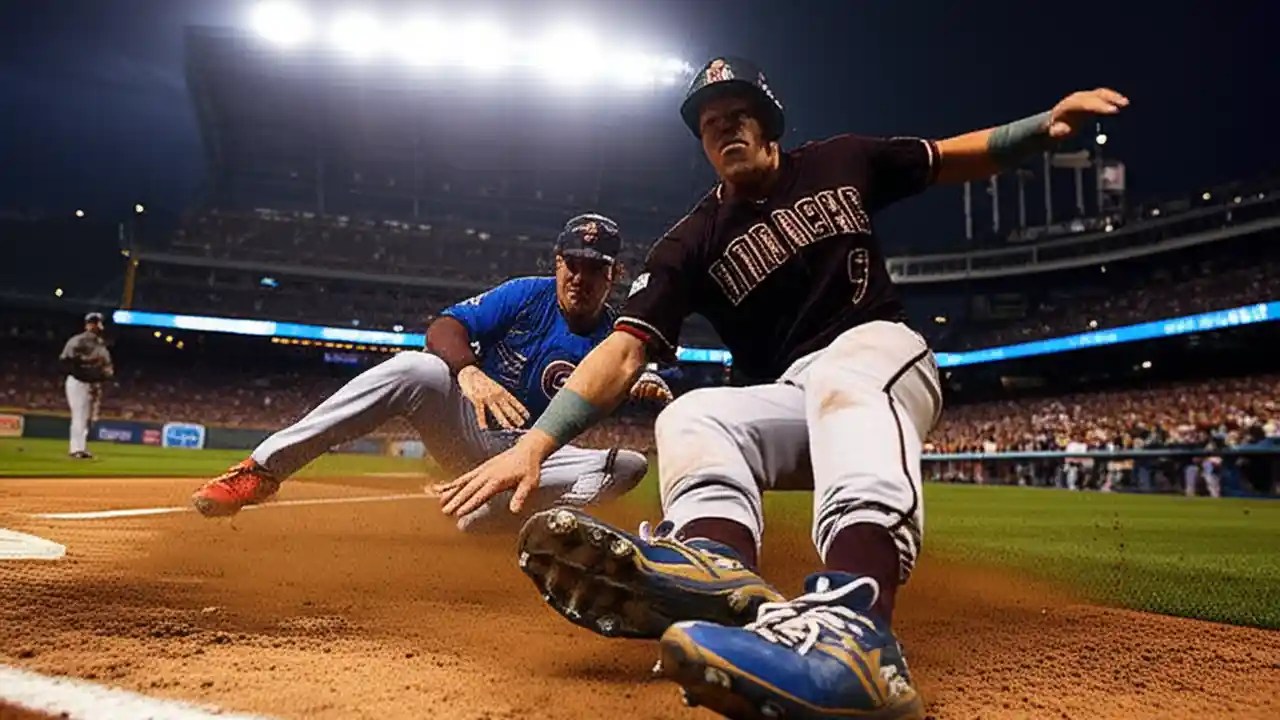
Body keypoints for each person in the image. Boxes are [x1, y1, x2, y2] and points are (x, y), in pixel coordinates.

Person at [435, 56, 1127, 718]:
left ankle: (859, 637)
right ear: (703, 145)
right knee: (694, 415)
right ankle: (715, 568)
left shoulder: (839, 161)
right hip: (794, 403)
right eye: (710, 124)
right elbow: (620, 354)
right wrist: (537, 444)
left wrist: (1040, 129)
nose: (726, 129)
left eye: (739, 114)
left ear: (770, 122)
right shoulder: (692, 240)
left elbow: (948, 158)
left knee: (842, 382)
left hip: (878, 356)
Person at [191, 213, 672, 532]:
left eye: (594, 268)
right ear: (558, 261)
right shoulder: (528, 293)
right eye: (573, 263)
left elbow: (619, 380)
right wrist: (466, 371)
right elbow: (445, 326)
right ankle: (262, 471)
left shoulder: (618, 338)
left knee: (629, 465)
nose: (580, 278)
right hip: (469, 430)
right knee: (418, 367)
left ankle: (517, 528)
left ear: (614, 275)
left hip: (534, 458)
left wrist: (638, 383)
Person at [59, 312, 113, 459]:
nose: (97, 326)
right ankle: (75, 449)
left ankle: (81, 448)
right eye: (95, 323)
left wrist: (104, 373)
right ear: (88, 324)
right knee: (78, 415)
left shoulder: (100, 344)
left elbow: (107, 366)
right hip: (77, 381)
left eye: (98, 323)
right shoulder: (78, 341)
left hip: (90, 383)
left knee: (84, 417)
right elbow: (65, 359)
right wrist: (86, 363)